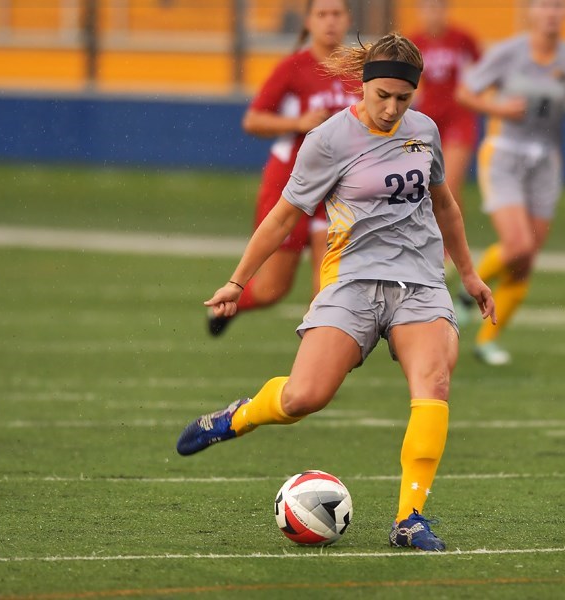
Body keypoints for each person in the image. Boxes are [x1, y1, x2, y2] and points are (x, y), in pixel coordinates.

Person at [177, 32, 496, 552]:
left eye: (403, 98)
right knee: (304, 397)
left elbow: (446, 206)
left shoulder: (425, 131)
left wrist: (470, 274)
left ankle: (409, 518)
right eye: (383, 96)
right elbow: (284, 218)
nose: (393, 108)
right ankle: (238, 416)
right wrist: (238, 281)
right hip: (351, 283)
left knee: (434, 381)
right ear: (363, 86)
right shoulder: (328, 139)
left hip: (419, 283)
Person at [455, 0, 565, 366]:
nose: (551, 13)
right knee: (518, 245)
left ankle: (488, 340)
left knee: (526, 259)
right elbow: (465, 92)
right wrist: (498, 110)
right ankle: (468, 286)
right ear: (531, 12)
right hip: (504, 154)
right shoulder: (508, 53)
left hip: (546, 161)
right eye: (544, 6)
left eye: (558, 6)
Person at [207, 0, 359, 336]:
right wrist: (298, 122)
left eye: (337, 14)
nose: (330, 22)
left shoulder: (359, 69)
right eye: (322, 14)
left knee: (327, 292)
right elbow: (253, 120)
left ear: (348, 19)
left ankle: (316, 372)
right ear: (309, 21)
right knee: (271, 290)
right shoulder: (294, 67)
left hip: (337, 190)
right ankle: (229, 306)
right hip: (292, 185)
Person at [409, 0, 481, 227]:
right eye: (428, 7)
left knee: (449, 183)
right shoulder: (413, 42)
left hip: (459, 118)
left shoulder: (463, 39)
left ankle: (451, 244)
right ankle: (433, 237)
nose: (433, 13)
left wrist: (477, 96)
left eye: (438, 7)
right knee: (425, 185)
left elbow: (483, 71)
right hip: (427, 120)